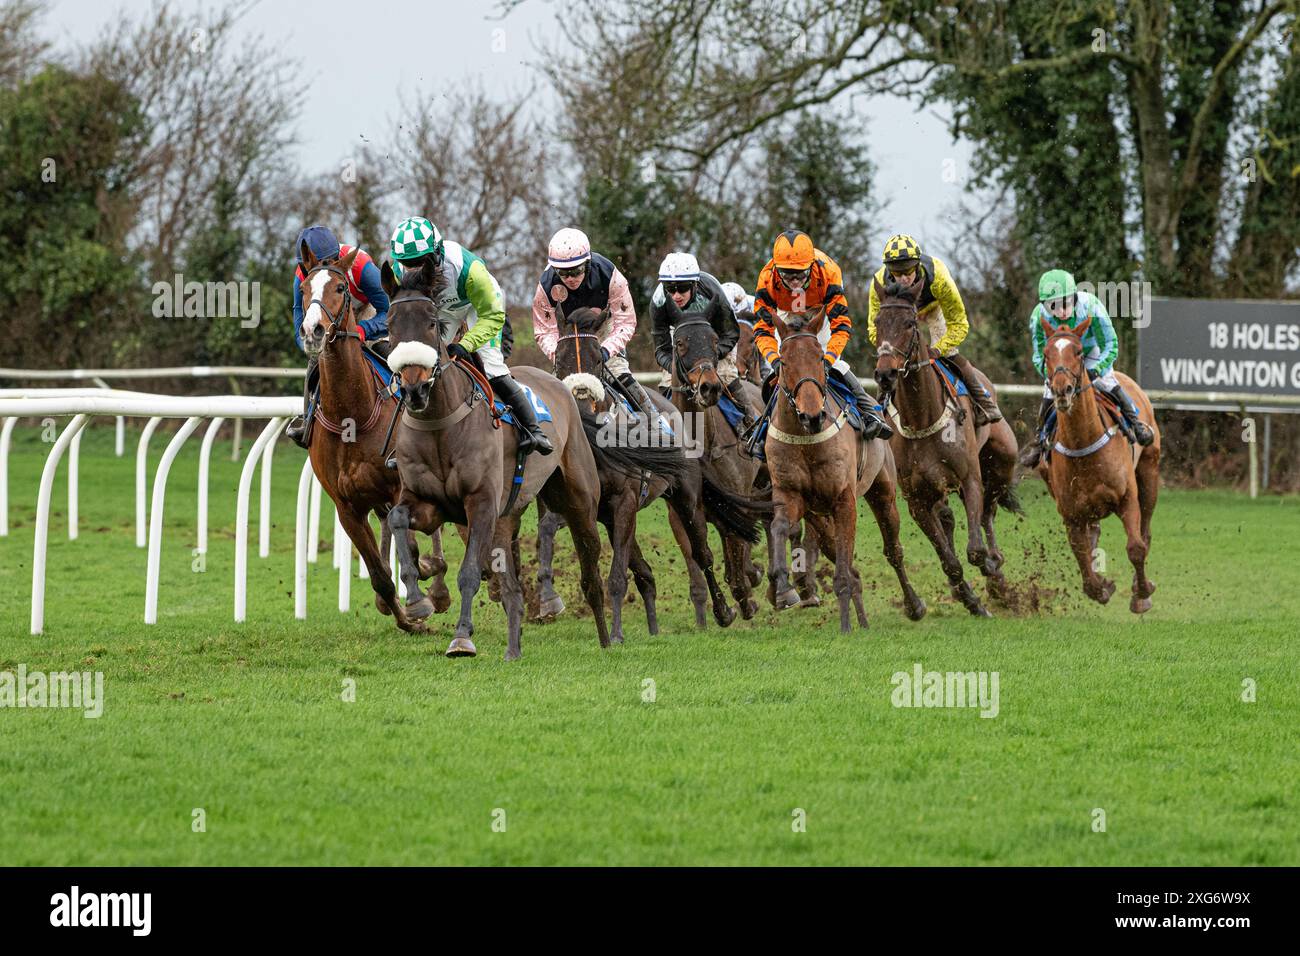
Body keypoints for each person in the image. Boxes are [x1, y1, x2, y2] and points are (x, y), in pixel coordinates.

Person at [388, 215, 552, 455]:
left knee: (492, 366)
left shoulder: (470, 270)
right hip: (439, 310)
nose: (412, 270)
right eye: (406, 263)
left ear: (436, 253)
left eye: (419, 262)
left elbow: (493, 316)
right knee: (419, 364)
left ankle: (532, 429)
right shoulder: (396, 272)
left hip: (477, 306)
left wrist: (465, 344)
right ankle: (402, 442)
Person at [752, 230, 890, 440]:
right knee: (780, 370)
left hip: (819, 311)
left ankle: (870, 413)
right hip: (784, 313)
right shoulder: (767, 278)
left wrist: (828, 359)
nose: (795, 281)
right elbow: (762, 329)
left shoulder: (829, 273)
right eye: (788, 275)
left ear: (811, 266)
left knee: (831, 363)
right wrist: (774, 361)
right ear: (777, 270)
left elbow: (842, 326)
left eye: (800, 274)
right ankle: (763, 430)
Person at [1019, 269, 1155, 467]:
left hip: (1091, 354)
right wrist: (1050, 373)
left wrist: (1097, 369)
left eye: (1066, 302)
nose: (1062, 310)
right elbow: (1039, 354)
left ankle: (1136, 423)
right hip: (1060, 363)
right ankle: (1039, 442)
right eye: (1053, 306)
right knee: (1049, 393)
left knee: (1107, 382)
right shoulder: (1038, 318)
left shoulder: (1091, 306)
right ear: (1044, 306)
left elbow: (1111, 344)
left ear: (1074, 297)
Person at [866, 233, 1003, 426]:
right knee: (887, 360)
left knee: (950, 353)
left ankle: (983, 401)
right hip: (898, 314)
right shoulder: (878, 282)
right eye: (897, 273)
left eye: (908, 271)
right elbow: (875, 328)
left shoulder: (938, 277)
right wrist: (890, 351)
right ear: (889, 271)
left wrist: (938, 349)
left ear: (918, 265)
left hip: (932, 309)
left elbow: (959, 324)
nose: (904, 278)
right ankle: (880, 408)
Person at [285, 225, 390, 449]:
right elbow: (297, 310)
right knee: (316, 363)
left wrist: (364, 330)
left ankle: (408, 418)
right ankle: (307, 419)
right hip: (328, 317)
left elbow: (389, 311)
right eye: (308, 266)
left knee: (389, 354)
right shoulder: (302, 272)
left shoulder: (361, 266)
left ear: (336, 258)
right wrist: (304, 342)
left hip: (367, 313)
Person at [531, 227, 653, 412]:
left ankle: (656, 422)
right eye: (562, 273)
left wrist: (605, 351)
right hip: (568, 338)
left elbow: (626, 322)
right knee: (552, 389)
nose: (570, 278)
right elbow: (544, 331)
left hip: (603, 332)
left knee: (620, 374)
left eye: (576, 271)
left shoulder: (609, 274)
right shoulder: (546, 285)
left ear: (587, 263)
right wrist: (559, 354)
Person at [649, 252, 751, 421]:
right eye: (670, 289)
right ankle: (662, 430)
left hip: (713, 335)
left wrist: (709, 357)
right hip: (682, 335)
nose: (676, 296)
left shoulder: (712, 291)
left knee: (728, 376)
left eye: (682, 288)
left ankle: (750, 426)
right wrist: (677, 368)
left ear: (695, 285)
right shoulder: (659, 302)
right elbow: (661, 349)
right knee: (669, 384)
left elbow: (731, 334)